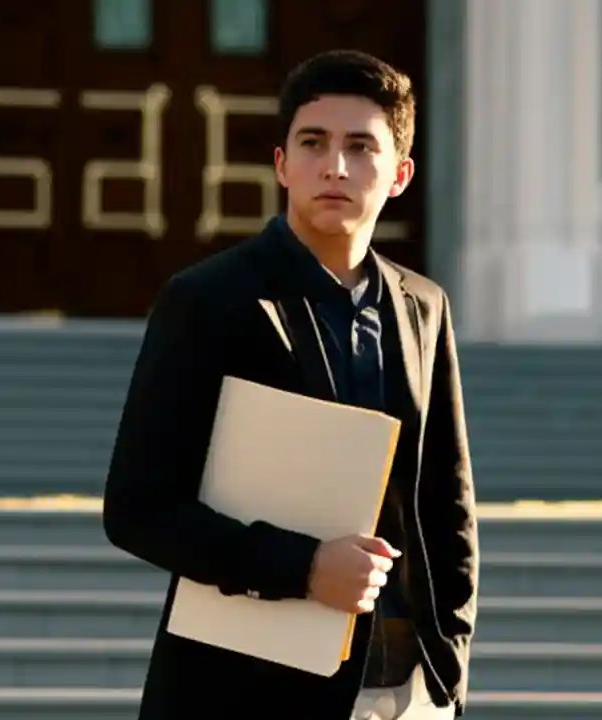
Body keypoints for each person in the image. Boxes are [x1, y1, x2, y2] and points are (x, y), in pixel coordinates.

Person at [103, 48, 478, 719]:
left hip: (402, 693)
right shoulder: (207, 300)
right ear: (281, 164)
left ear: (400, 174)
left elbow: (448, 506)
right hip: (245, 692)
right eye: (313, 143)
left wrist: (447, 668)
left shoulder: (424, 306)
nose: (335, 166)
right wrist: (302, 566)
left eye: (360, 146)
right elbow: (138, 509)